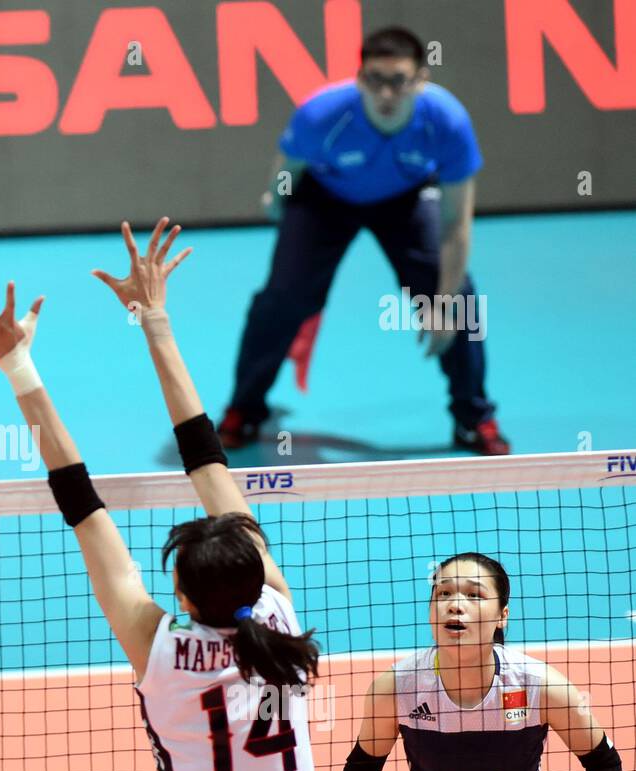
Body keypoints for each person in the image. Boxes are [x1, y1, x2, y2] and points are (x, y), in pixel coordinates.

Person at [0, 219, 333, 771]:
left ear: (182, 599)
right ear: (254, 564)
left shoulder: (159, 651)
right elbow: (204, 453)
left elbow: (79, 499)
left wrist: (18, 365)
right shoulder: (277, 611)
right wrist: (154, 317)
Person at [218, 26, 510, 456]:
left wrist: (443, 303)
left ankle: (474, 418)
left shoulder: (447, 122)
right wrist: (281, 211)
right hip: (325, 199)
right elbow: (287, 169)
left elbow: (455, 225)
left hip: (405, 199)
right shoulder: (322, 114)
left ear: (420, 79)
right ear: (359, 78)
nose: (386, 93)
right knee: (281, 300)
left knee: (461, 300)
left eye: (399, 81)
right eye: (374, 80)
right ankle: (243, 409)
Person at [340, 553, 623, 771]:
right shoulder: (398, 686)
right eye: (443, 593)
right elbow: (362, 766)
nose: (454, 605)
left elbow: (605, 764)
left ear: (502, 616)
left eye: (474, 595)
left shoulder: (538, 685)